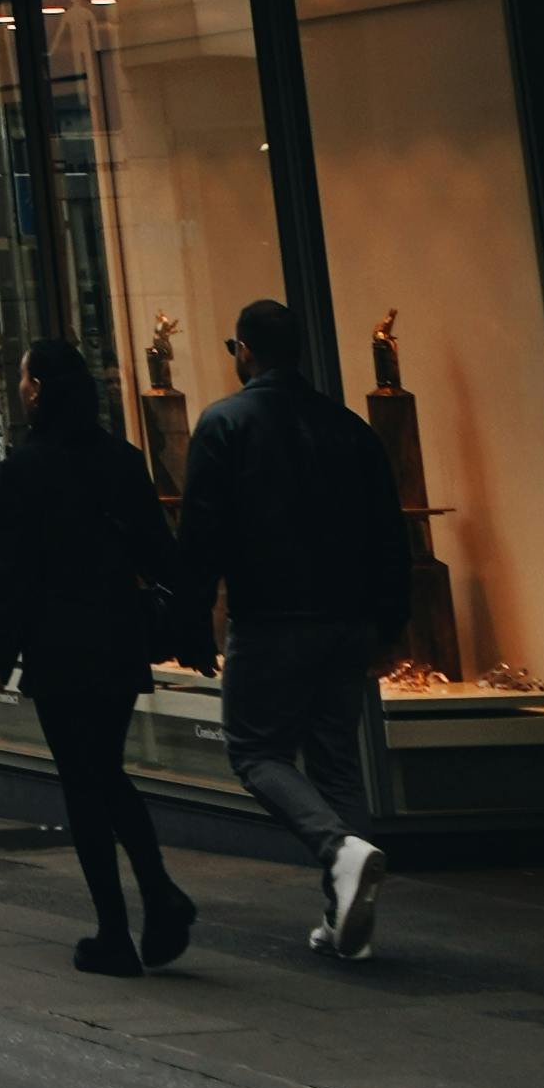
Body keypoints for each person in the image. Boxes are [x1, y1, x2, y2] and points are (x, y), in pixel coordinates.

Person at [173, 294, 409, 960]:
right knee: (335, 761)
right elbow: (389, 534)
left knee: (254, 750)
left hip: (273, 617)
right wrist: (389, 622)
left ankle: (339, 851)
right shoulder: (350, 429)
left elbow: (202, 536)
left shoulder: (225, 425)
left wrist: (191, 621)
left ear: (244, 351)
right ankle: (346, 924)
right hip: (349, 620)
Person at [0, 340, 197, 978]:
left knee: (83, 779)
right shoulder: (122, 461)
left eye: (21, 378)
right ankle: (157, 894)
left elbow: (15, 572)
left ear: (39, 387)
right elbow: (160, 553)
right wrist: (187, 629)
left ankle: (115, 930)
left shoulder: (26, 467)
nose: (18, 388)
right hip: (116, 636)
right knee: (107, 769)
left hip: (57, 640)